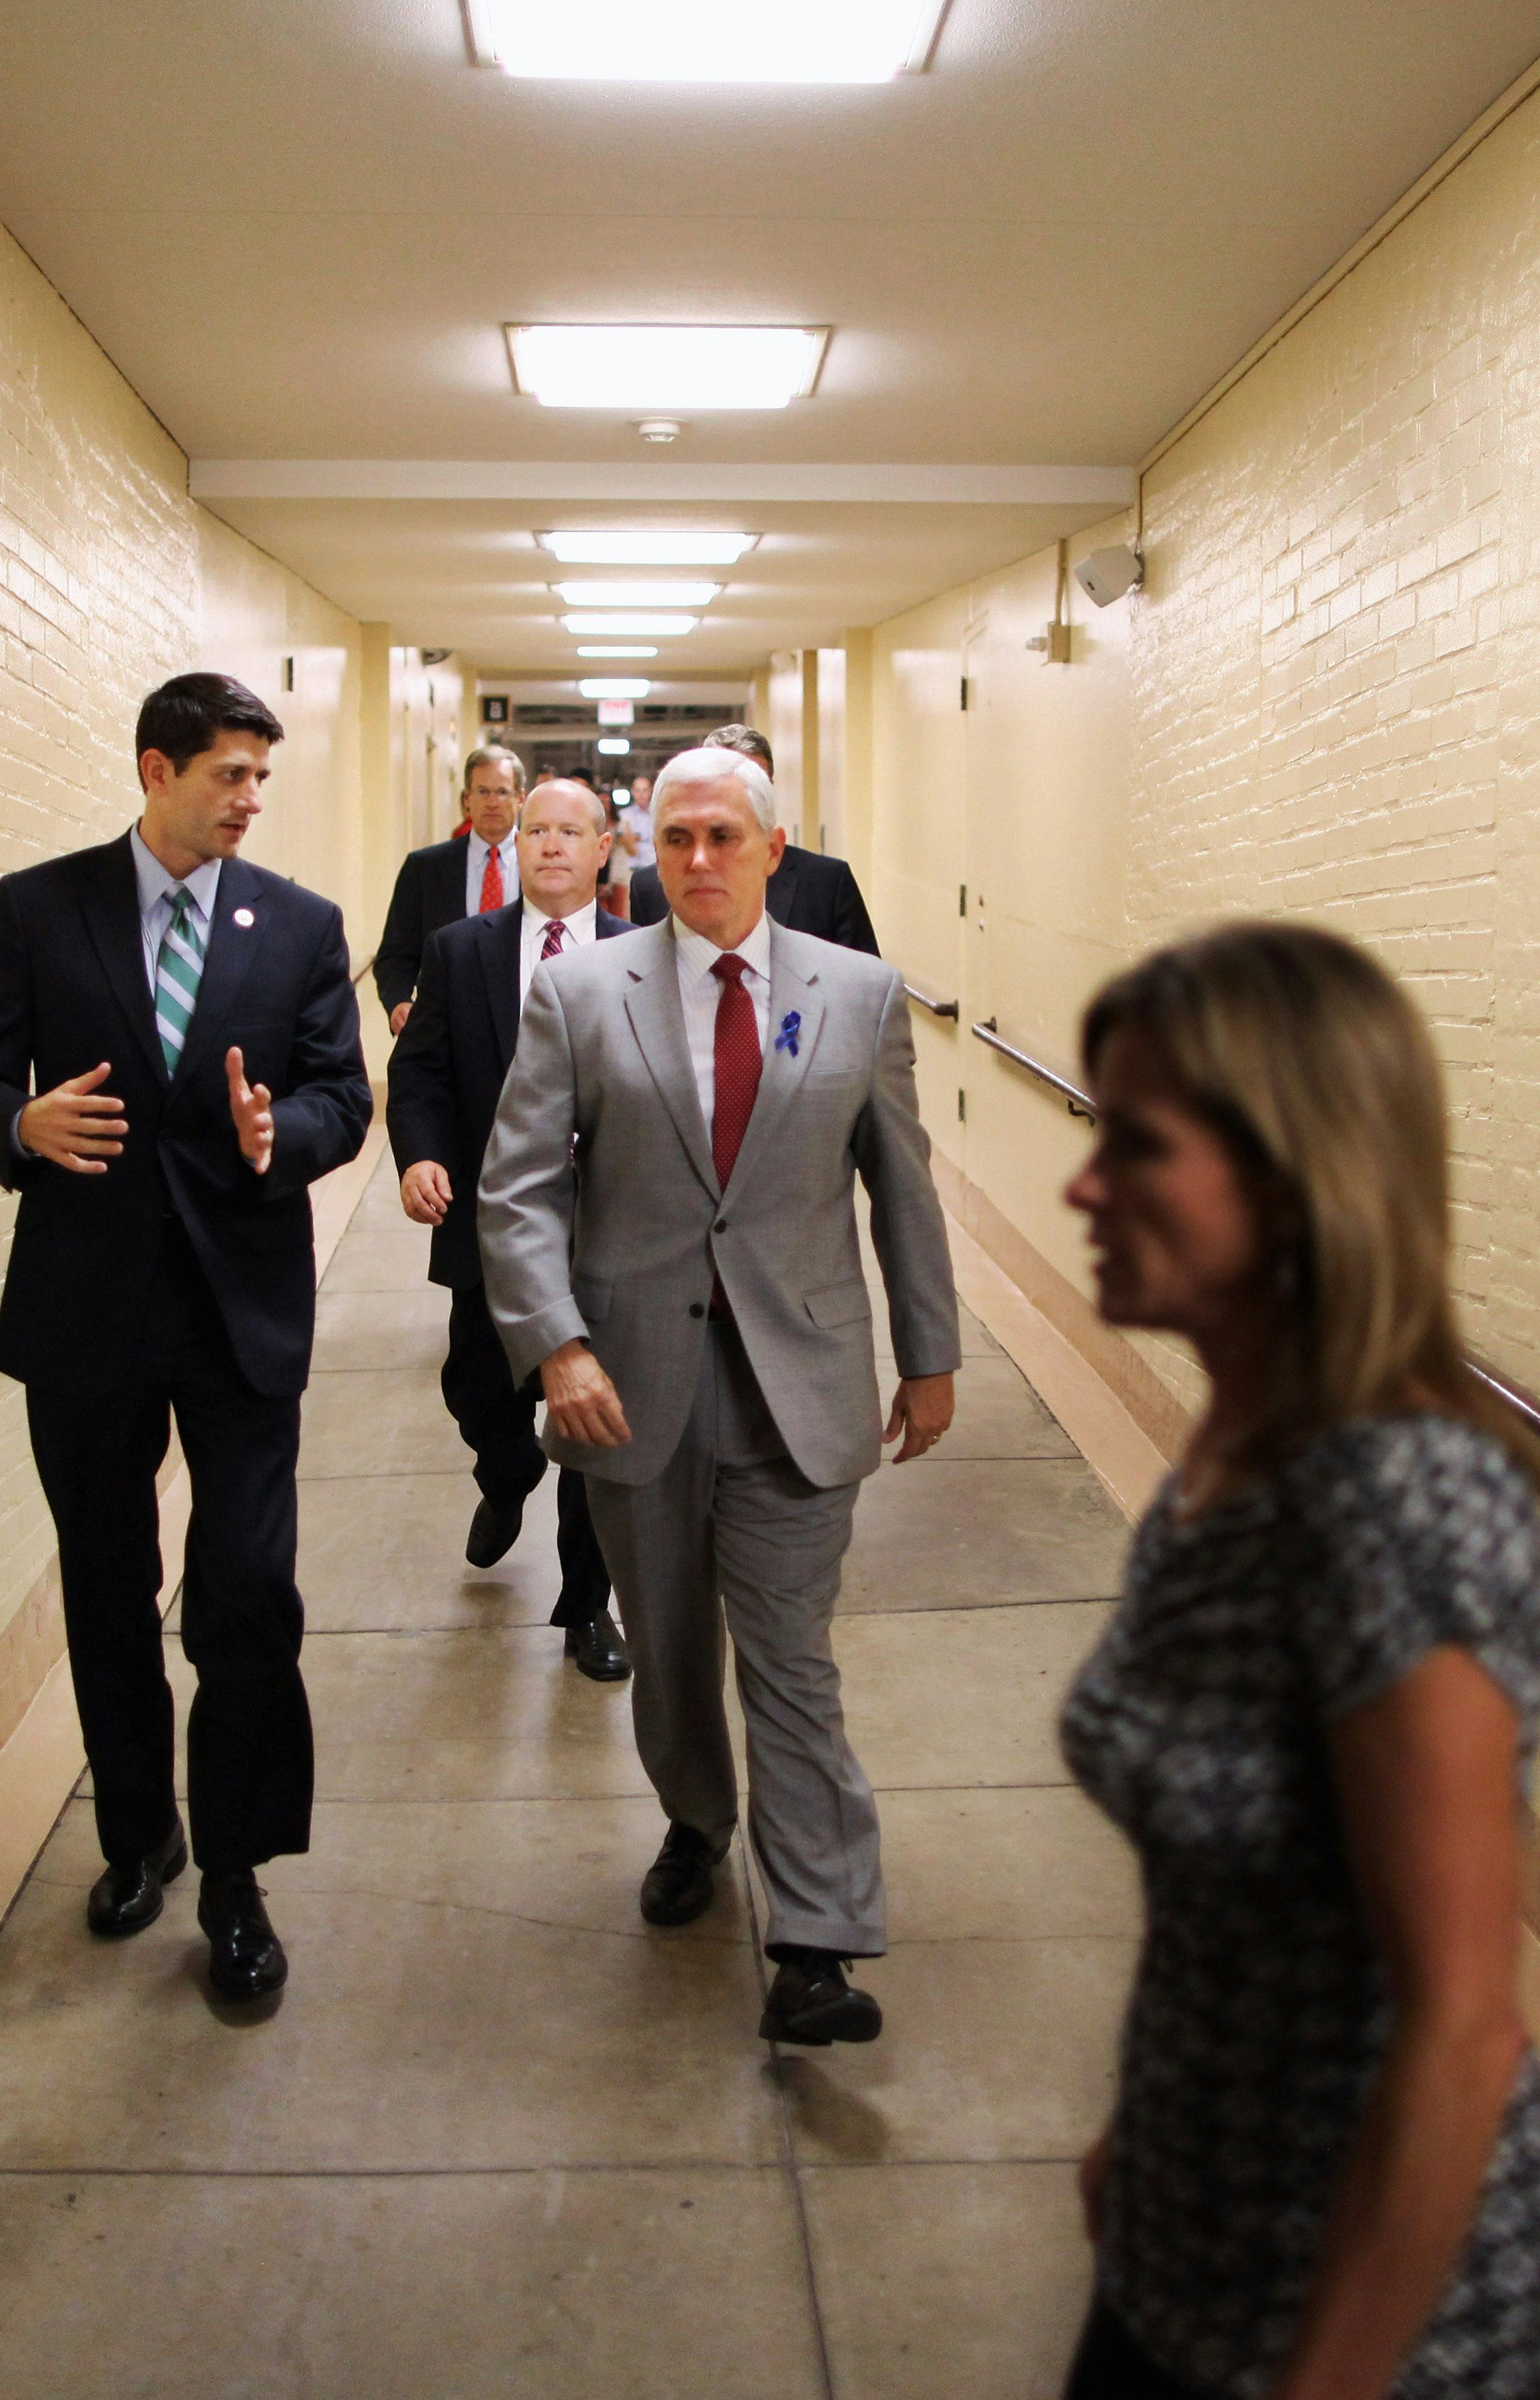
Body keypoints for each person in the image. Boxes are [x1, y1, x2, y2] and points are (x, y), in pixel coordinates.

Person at [1053, 922, 1540, 2399]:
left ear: (1294, 1181)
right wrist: (1136, 2145)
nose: (1084, 1183)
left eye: (1135, 1144)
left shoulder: (1394, 1501)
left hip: (1370, 2327)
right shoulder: (1236, 1439)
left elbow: (1460, 2024)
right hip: (1184, 2241)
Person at [480, 745, 959, 2046]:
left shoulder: (858, 994)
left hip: (800, 1379)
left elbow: (901, 1185)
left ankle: (814, 1938)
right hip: (632, 1385)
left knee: (794, 1662)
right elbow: (517, 1188)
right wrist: (557, 1345)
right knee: (675, 1655)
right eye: (676, 837)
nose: (698, 860)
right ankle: (697, 1819)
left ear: (771, 845)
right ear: (647, 850)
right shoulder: (581, 993)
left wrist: (931, 1350)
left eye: (723, 838)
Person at [0, 671, 370, 2006]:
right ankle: (139, 1835)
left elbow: (345, 1094)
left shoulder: (296, 926)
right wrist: (18, 1126)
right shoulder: (40, 908)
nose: (248, 799)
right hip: (86, 1311)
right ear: (153, 768)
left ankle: (235, 1880)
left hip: (240, 1314)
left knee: (243, 1593)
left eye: (258, 778)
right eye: (228, 773)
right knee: (109, 1591)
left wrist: (275, 1136)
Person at [386, 778, 635, 1681]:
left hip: (609, 1226)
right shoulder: (461, 952)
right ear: (514, 843)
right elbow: (416, 1074)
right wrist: (418, 1155)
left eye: (573, 831)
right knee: (482, 1391)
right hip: (489, 1222)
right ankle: (502, 1476)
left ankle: (585, 1607)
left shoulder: (644, 953)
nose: (552, 845)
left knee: (596, 1424)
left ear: (603, 847)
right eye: (537, 830)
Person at [625, 725, 878, 955]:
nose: (700, 861)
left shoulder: (826, 883)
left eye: (754, 782)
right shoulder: (649, 888)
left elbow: (859, 990)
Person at [375, 744, 527, 1033]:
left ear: (520, 799)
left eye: (502, 792)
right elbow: (395, 954)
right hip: (445, 1025)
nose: (492, 802)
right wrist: (398, 1002)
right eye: (482, 792)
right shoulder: (425, 867)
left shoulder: (542, 866)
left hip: (522, 1023)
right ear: (468, 798)